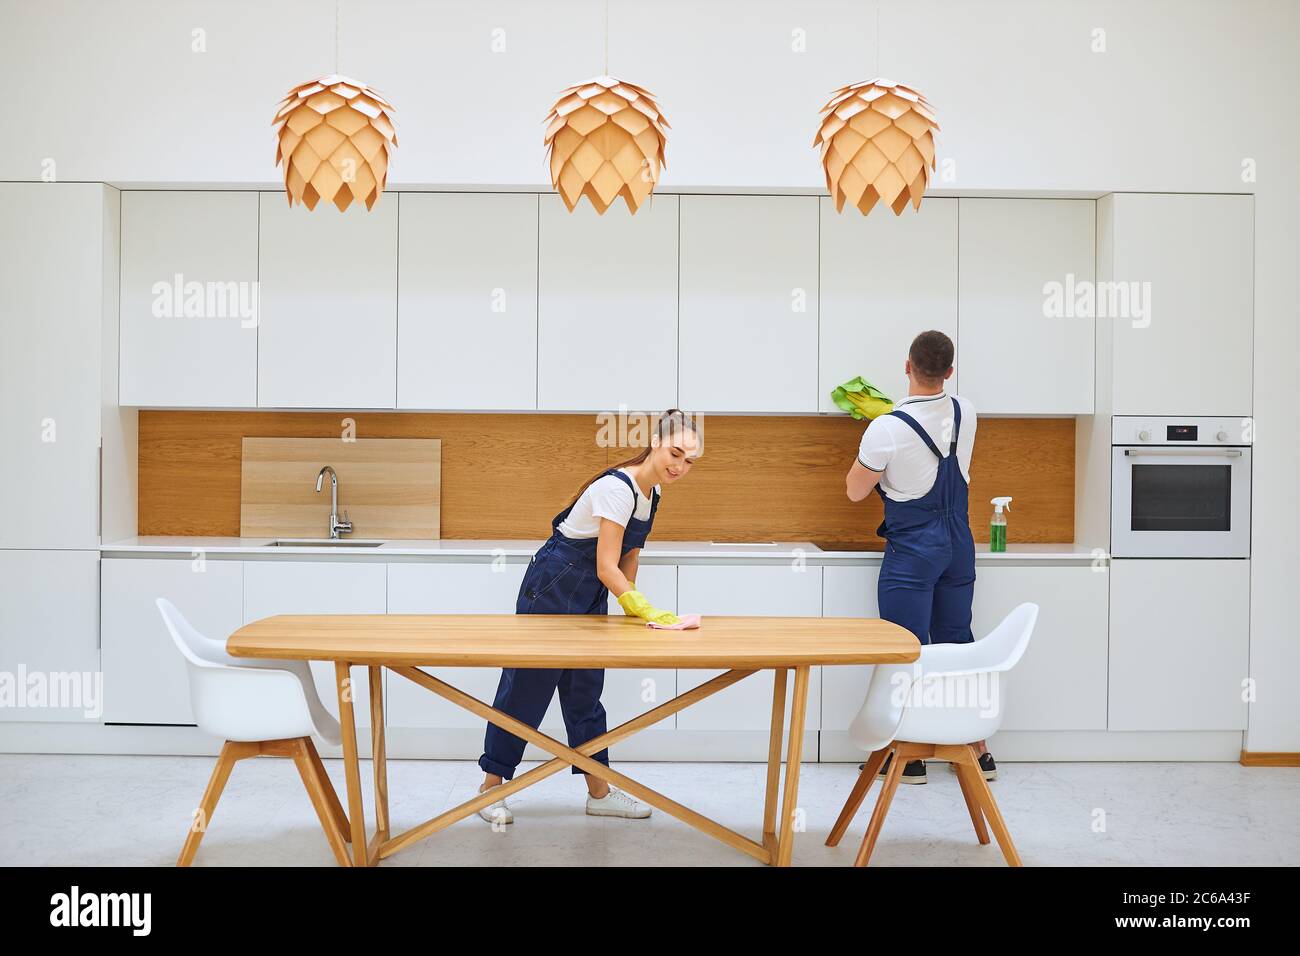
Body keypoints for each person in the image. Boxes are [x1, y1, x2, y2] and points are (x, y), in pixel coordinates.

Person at [477, 409, 701, 823]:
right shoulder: (617, 489)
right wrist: (644, 607)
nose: (680, 467)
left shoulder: (652, 494)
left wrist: (631, 611)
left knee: (584, 690)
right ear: (655, 442)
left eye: (689, 461)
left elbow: (628, 555)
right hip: (552, 586)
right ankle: (490, 790)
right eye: (675, 454)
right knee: (526, 687)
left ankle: (598, 793)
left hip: (591, 593)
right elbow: (605, 565)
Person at [844, 330, 995, 785]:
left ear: (906, 366)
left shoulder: (885, 428)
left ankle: (907, 758)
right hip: (958, 545)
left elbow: (854, 491)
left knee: (906, 647)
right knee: (956, 640)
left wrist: (878, 436)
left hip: (913, 550)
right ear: (949, 371)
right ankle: (976, 750)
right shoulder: (964, 411)